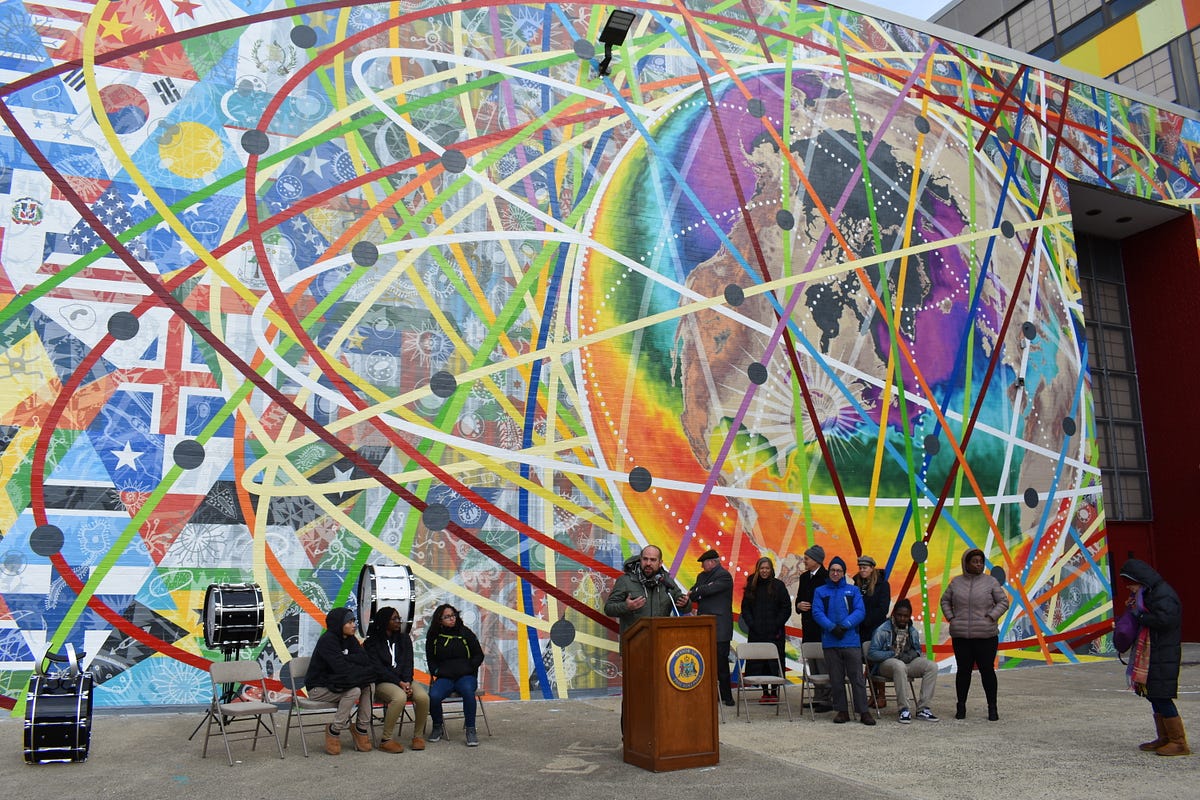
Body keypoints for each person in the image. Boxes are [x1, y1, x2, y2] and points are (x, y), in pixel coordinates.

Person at [1118, 559, 1189, 756]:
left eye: (1130, 582)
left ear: (1140, 579)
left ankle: (1179, 742)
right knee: (1153, 693)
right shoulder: (1148, 594)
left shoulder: (1163, 595)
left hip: (1162, 651)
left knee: (1162, 695)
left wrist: (1139, 616)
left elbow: (1166, 620)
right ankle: (1165, 737)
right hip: (1153, 652)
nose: (1129, 587)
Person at [940, 548, 1010, 720]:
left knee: (987, 671)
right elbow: (945, 600)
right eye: (975, 561)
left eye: (981, 561)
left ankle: (992, 708)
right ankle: (961, 706)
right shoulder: (956, 583)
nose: (979, 564)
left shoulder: (991, 582)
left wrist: (991, 616)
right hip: (961, 636)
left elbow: (1003, 601)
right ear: (966, 564)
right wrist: (952, 618)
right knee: (963, 671)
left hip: (986, 635)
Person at [305, 606, 376, 754]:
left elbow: (365, 660)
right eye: (349, 622)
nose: (353, 625)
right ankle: (334, 730)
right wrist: (354, 666)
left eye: (353, 621)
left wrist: (346, 658)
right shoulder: (328, 641)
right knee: (355, 690)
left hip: (340, 684)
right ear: (339, 624)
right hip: (319, 688)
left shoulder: (350, 639)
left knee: (369, 685)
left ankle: (360, 728)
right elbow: (341, 669)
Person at [812, 556, 874, 725]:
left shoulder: (853, 591)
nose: (835, 573)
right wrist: (832, 627)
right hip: (831, 642)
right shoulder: (820, 591)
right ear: (829, 571)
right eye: (833, 570)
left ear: (844, 573)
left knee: (857, 679)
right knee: (836, 679)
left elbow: (860, 611)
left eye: (839, 570)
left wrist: (845, 625)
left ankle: (863, 711)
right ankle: (842, 711)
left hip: (851, 641)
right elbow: (817, 613)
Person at [363, 605, 431, 753]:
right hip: (382, 682)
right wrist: (399, 683)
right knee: (399, 697)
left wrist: (406, 681)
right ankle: (386, 739)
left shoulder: (404, 639)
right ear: (384, 621)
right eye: (394, 619)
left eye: (399, 618)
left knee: (423, 697)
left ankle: (418, 736)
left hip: (404, 680)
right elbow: (378, 669)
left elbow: (408, 663)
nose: (399, 621)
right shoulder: (371, 643)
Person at [867, 598, 939, 723]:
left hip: (906, 661)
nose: (902, 619)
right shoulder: (882, 630)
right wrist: (892, 653)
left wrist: (905, 656)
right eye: (899, 615)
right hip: (886, 665)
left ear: (909, 617)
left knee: (931, 666)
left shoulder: (912, 631)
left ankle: (923, 709)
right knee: (899, 665)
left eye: (905, 616)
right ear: (894, 614)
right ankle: (904, 709)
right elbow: (872, 654)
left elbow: (917, 651)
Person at [426, 603, 485, 747]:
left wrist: (469, 668)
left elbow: (479, 655)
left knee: (467, 691)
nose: (452, 619)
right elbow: (431, 660)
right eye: (447, 617)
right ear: (439, 620)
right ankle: (437, 726)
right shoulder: (434, 637)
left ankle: (471, 730)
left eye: (453, 615)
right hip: (445, 677)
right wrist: (437, 672)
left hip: (466, 677)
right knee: (434, 695)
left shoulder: (465, 633)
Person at [740, 556, 792, 703]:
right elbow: (746, 608)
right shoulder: (752, 586)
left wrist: (777, 623)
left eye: (767, 568)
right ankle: (765, 692)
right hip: (757, 632)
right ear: (758, 570)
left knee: (774, 663)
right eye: (762, 568)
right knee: (760, 662)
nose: (764, 571)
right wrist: (752, 624)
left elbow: (786, 607)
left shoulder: (778, 586)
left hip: (775, 632)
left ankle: (774, 692)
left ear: (771, 570)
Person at [603, 544, 689, 634]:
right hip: (634, 642)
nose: (648, 563)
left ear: (660, 563)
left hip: (661, 641)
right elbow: (608, 609)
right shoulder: (625, 580)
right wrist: (627, 606)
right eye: (645, 559)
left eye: (653, 560)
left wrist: (685, 604)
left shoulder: (666, 581)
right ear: (640, 560)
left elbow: (684, 606)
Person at [689, 548, 735, 706]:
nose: (702, 567)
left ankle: (727, 697)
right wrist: (701, 590)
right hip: (704, 624)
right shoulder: (702, 576)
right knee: (706, 663)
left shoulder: (724, 576)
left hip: (720, 627)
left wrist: (700, 590)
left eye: (703, 563)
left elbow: (707, 590)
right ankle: (711, 695)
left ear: (712, 562)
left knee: (721, 664)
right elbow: (693, 594)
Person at [795, 544, 832, 711]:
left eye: (807, 558)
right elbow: (799, 599)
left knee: (823, 663)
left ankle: (826, 698)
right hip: (808, 626)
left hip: (821, 628)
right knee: (813, 662)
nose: (804, 561)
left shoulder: (826, 577)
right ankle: (818, 696)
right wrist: (798, 605)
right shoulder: (804, 577)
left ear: (816, 560)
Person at [854, 554, 892, 708]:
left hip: (876, 629)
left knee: (876, 661)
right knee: (867, 663)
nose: (862, 570)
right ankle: (872, 695)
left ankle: (881, 695)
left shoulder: (882, 585)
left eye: (865, 568)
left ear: (872, 568)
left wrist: (866, 619)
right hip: (861, 629)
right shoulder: (856, 583)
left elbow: (882, 608)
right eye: (861, 568)